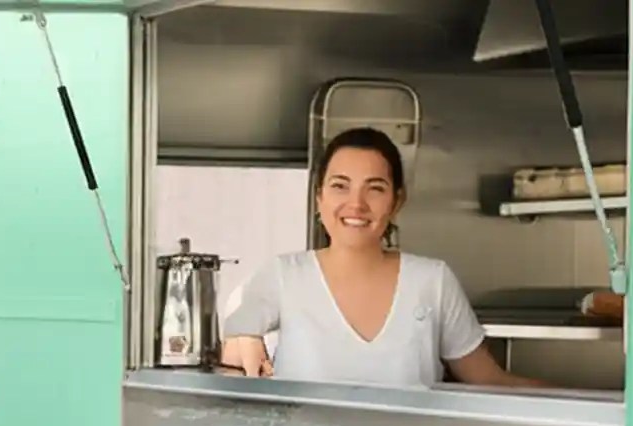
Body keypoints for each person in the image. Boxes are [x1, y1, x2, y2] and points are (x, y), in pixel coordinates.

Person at [221, 126, 542, 389]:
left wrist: (585, 408)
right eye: (340, 186)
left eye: (374, 188)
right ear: (319, 197)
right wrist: (250, 352)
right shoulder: (283, 276)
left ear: (396, 201)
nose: (356, 204)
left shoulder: (432, 281)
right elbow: (232, 358)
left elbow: (488, 380)